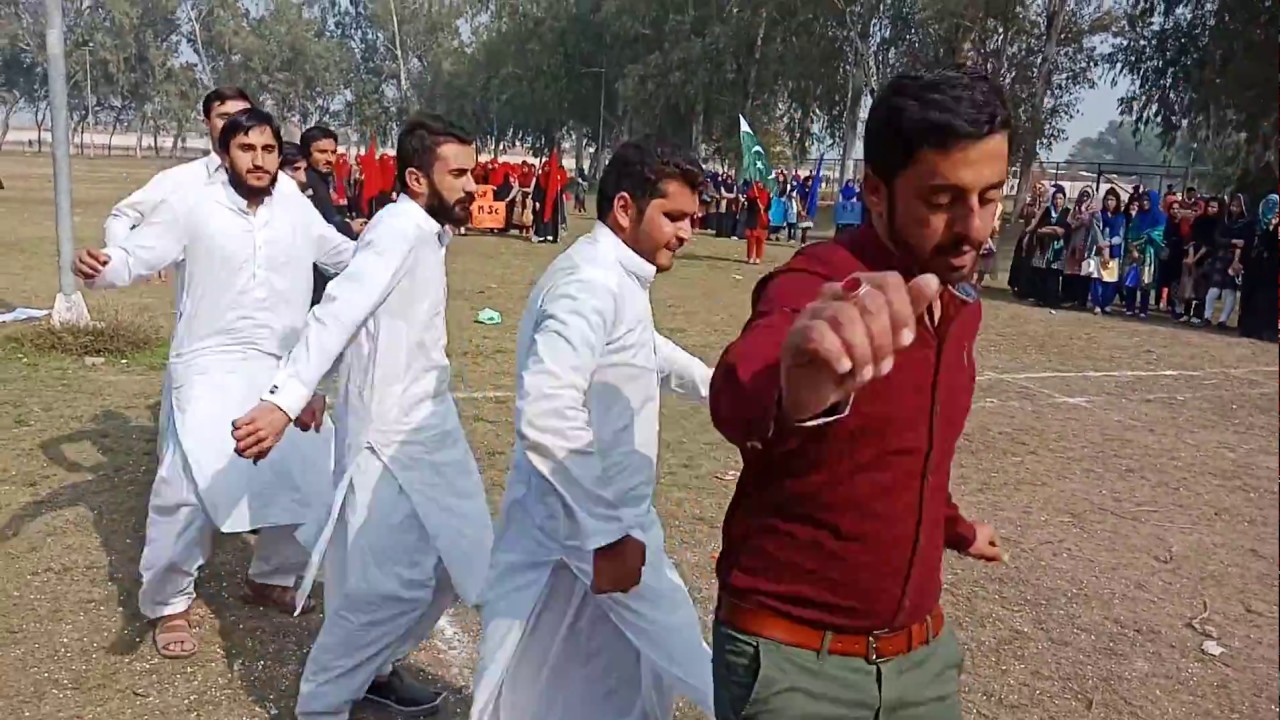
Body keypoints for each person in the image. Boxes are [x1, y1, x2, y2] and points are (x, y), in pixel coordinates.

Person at [708, 68, 1005, 720]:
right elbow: (741, 389)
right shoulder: (823, 282)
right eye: (942, 199)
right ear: (875, 192)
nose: (975, 228)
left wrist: (957, 529)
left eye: (990, 196)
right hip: (792, 667)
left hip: (923, 665)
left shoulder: (958, 297)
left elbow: (908, 455)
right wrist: (800, 379)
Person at [230, 114, 494, 719]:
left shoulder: (427, 228)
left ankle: (375, 669)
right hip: (387, 442)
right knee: (386, 587)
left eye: (472, 171)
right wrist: (284, 399)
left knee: (464, 564)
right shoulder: (398, 230)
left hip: (431, 431)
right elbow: (339, 311)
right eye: (459, 173)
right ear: (417, 179)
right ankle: (321, 705)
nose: (473, 185)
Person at [71, 108, 354, 660]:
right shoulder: (193, 204)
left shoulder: (295, 206)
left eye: (269, 150)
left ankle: (272, 575)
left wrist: (399, 249)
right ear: (226, 154)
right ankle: (169, 602)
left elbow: (344, 256)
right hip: (206, 363)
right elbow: (137, 254)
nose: (259, 160)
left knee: (308, 470)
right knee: (186, 487)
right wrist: (104, 267)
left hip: (281, 366)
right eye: (247, 150)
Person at [470, 139, 715, 720]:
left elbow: (640, 349)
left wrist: (715, 384)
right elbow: (549, 409)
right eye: (674, 218)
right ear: (626, 209)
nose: (686, 234)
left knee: (571, 668)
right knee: (693, 660)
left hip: (582, 516)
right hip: (591, 520)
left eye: (692, 220)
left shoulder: (615, 275)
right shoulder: (589, 282)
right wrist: (607, 532)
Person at [301, 125, 367, 306]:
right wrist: (349, 228)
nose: (329, 158)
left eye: (332, 152)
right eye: (322, 152)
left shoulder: (324, 180)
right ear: (307, 154)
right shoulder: (307, 183)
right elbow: (315, 229)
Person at [1203, 193, 1250, 329]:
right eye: (1233, 206)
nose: (1234, 209)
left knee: (1230, 290)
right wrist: (1233, 241)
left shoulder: (1246, 224)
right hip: (1221, 256)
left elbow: (1245, 242)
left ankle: (1223, 320)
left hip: (1236, 259)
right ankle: (1207, 316)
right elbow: (1217, 239)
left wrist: (1238, 256)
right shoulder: (1224, 221)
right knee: (1214, 288)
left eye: (1238, 206)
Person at [1238, 194, 1279, 341]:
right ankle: (1248, 328)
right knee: (1251, 296)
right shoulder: (1254, 223)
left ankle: (1268, 331)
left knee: (1269, 299)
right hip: (1254, 264)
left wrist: (1272, 228)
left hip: (1272, 267)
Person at [1122, 189, 1165, 318]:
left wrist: (1145, 238)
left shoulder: (1159, 216)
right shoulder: (1138, 217)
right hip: (1134, 253)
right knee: (1132, 280)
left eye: (1148, 200)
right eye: (1143, 200)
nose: (1145, 203)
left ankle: (1143, 309)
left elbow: (1160, 233)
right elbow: (1130, 233)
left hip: (1149, 253)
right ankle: (1130, 307)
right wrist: (1133, 249)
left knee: (1146, 281)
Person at [1029, 186, 1070, 308]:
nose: (1058, 202)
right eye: (1056, 199)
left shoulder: (1067, 212)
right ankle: (1041, 298)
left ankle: (1052, 300)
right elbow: (1039, 229)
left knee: (1054, 274)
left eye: (1060, 199)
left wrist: (1050, 229)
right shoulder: (1047, 211)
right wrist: (1054, 229)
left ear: (1064, 200)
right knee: (1042, 273)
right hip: (1044, 247)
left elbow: (1063, 231)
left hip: (1058, 248)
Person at [1090, 188, 1126, 315]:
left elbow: (1120, 236)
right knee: (1097, 278)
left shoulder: (1121, 218)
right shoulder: (1098, 215)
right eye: (1107, 199)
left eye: (1112, 200)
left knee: (1111, 280)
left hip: (1114, 251)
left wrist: (1109, 243)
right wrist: (1102, 244)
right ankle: (1097, 304)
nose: (1109, 202)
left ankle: (1106, 303)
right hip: (1099, 250)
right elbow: (1096, 231)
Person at [1063, 187, 1097, 310]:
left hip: (1086, 244)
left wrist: (1084, 215)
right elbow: (1070, 224)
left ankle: (1082, 299)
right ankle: (1070, 297)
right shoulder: (1075, 209)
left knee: (1085, 272)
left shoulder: (1094, 210)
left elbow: (1093, 225)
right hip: (1074, 242)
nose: (1085, 198)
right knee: (1072, 271)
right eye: (1083, 195)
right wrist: (1079, 219)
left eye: (1087, 195)